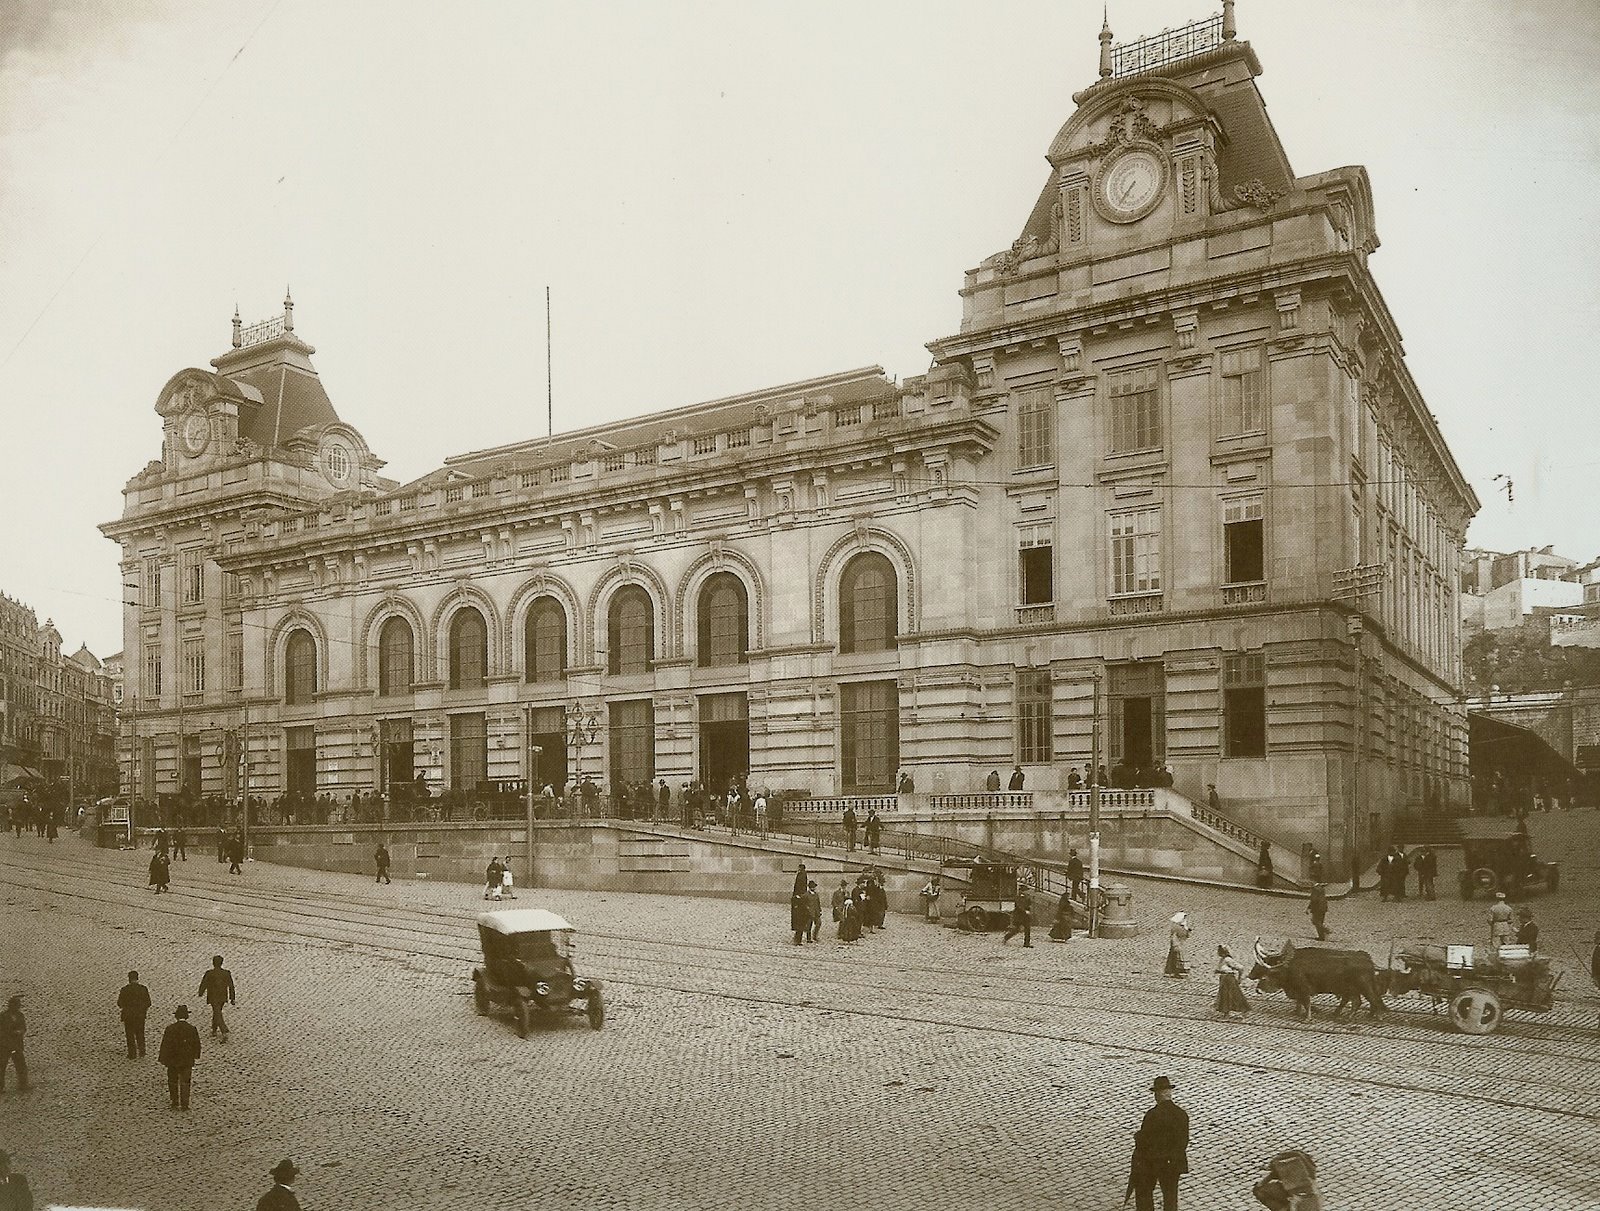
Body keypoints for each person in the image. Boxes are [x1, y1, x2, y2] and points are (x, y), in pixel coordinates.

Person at [1127, 1075, 1189, 1211]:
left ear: (1157, 1094)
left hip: (1154, 1163)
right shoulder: (1182, 1114)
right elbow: (1183, 1141)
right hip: (1173, 1163)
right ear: (1169, 1093)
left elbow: (1144, 1140)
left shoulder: (1153, 1115)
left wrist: (1137, 1136)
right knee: (1171, 1198)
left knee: (1145, 1193)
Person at [157, 1005, 200, 1110]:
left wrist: (163, 1058)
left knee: (172, 1081)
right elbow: (197, 1044)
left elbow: (165, 1045)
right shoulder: (192, 1029)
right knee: (185, 1081)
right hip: (186, 1060)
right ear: (187, 1016)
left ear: (176, 1017)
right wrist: (195, 1056)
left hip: (172, 1060)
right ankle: (185, 1103)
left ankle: (174, 1101)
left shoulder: (170, 1028)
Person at [197, 956, 236, 1040]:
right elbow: (231, 986)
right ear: (222, 963)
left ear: (213, 963)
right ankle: (214, 1030)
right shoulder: (226, 973)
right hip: (222, 997)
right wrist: (232, 998)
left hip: (212, 996)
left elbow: (204, 983)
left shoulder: (209, 973)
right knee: (217, 1012)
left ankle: (223, 1031)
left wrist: (201, 992)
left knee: (217, 1012)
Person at [118, 971, 152, 1059]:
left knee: (130, 1034)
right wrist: (142, 1009)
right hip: (140, 1016)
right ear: (137, 978)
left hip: (128, 1016)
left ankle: (132, 1054)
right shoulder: (143, 989)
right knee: (140, 1033)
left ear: (129, 979)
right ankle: (142, 1051)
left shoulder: (125, 989)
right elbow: (148, 1002)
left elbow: (119, 1003)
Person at [1214, 945, 1250, 1020]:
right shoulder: (1222, 959)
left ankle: (1244, 1011)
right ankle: (1226, 1013)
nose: (1218, 953)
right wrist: (1218, 971)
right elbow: (1223, 969)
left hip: (1229, 979)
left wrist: (1239, 978)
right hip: (1224, 979)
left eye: (1220, 951)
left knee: (1233, 995)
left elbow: (1240, 968)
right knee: (1224, 995)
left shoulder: (1228, 960)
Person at [0, 995, 27, 1092]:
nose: (18, 1007)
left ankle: (23, 1085)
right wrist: (12, 1033)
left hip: (17, 1045)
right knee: (2, 1066)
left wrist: (20, 1032)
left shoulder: (20, 1015)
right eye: (16, 1005)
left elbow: (24, 1028)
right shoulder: (2, 1016)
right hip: (4, 1046)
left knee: (21, 1065)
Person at [1164, 913, 1190, 978]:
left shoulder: (1183, 926)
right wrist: (1176, 945)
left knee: (1177, 958)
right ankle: (1174, 972)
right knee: (1175, 958)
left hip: (1181, 944)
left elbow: (1186, 935)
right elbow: (1174, 937)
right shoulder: (1176, 927)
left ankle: (1177, 972)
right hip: (1177, 944)